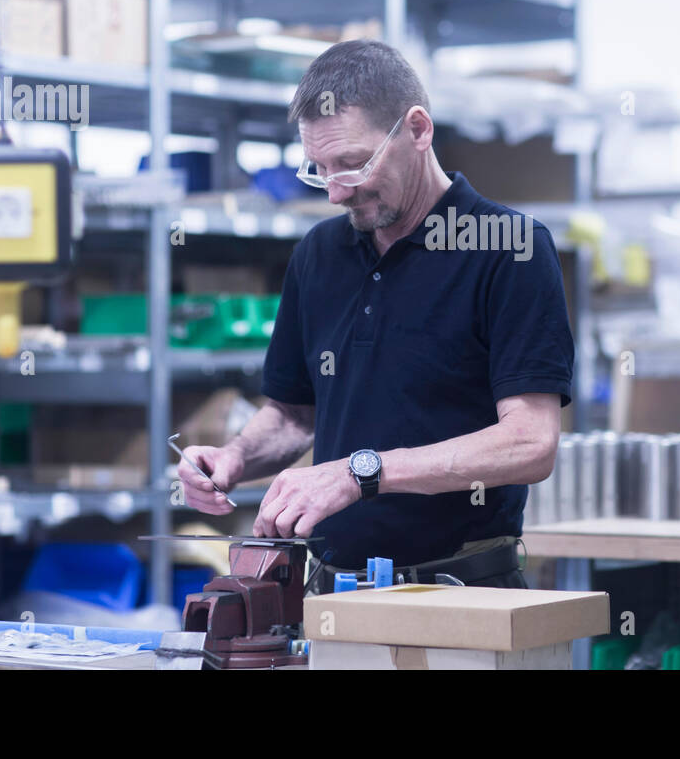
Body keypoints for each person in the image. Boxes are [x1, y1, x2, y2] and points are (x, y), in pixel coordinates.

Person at [178, 39, 574, 591]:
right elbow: (296, 415)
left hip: (461, 592)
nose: (337, 190)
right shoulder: (318, 254)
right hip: (334, 592)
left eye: (352, 162)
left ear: (417, 129)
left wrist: (360, 473)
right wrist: (235, 457)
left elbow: (530, 443)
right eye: (318, 170)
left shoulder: (510, 248)